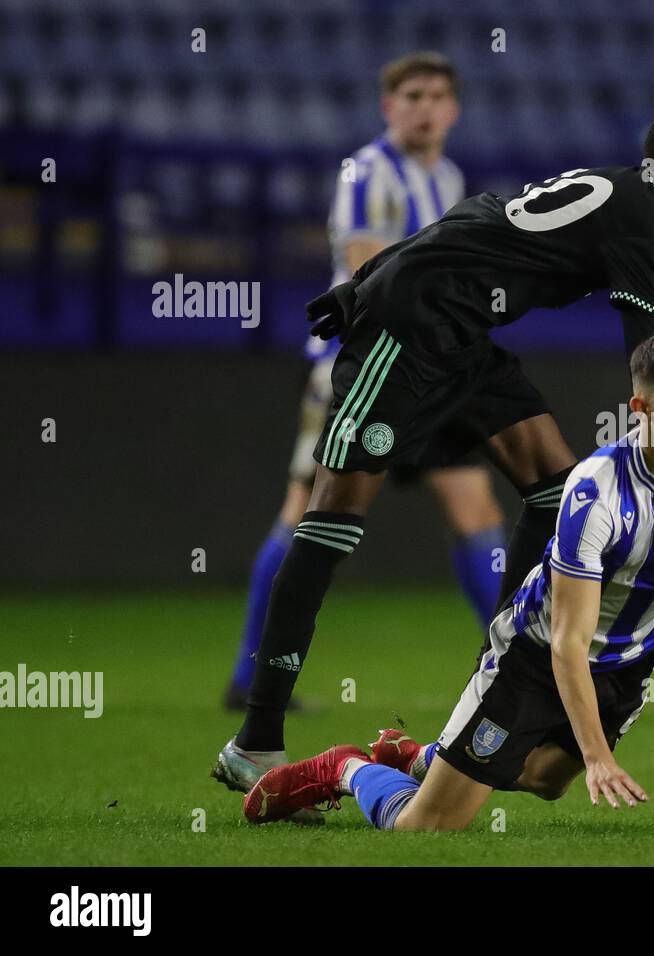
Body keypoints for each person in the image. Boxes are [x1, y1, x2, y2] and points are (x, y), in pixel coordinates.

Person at [243, 331, 654, 829]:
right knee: (428, 826)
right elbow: (567, 641)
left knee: (544, 779)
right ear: (641, 408)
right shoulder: (595, 490)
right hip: (536, 655)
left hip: (628, 663)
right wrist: (598, 757)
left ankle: (421, 758)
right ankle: (346, 767)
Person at [221, 51, 508, 714]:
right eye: (412, 95)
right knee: (308, 514)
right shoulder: (366, 173)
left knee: (477, 509)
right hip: (362, 370)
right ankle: (249, 676)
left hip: (430, 369)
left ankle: (512, 667)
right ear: (388, 106)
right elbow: (367, 273)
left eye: (436, 96)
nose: (424, 108)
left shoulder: (449, 176)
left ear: (453, 110)